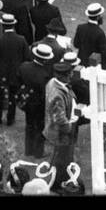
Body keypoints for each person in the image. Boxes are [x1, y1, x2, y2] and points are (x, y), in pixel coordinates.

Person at [44, 56, 79, 191]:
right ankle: (56, 184)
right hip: (61, 132)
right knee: (62, 159)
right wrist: (69, 128)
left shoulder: (52, 82)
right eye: (69, 74)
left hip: (55, 128)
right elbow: (60, 118)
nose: (71, 76)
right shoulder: (58, 94)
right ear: (63, 76)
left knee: (59, 155)